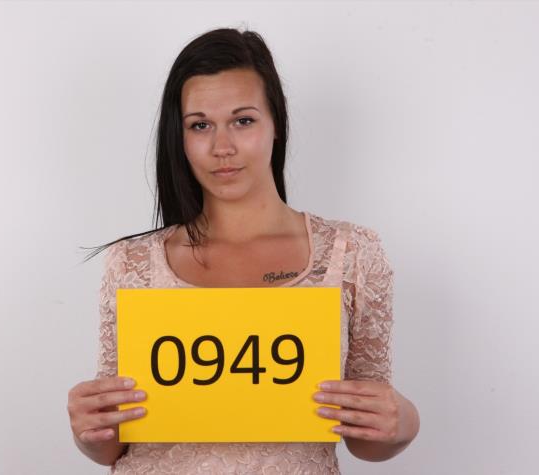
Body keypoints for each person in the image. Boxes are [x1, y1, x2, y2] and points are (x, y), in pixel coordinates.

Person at [67, 27, 420, 473]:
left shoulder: (352, 254)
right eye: (200, 125)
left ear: (276, 125)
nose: (223, 147)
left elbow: (367, 439)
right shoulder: (132, 263)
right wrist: (87, 429)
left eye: (243, 121)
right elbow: (111, 442)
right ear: (180, 137)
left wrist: (404, 421)